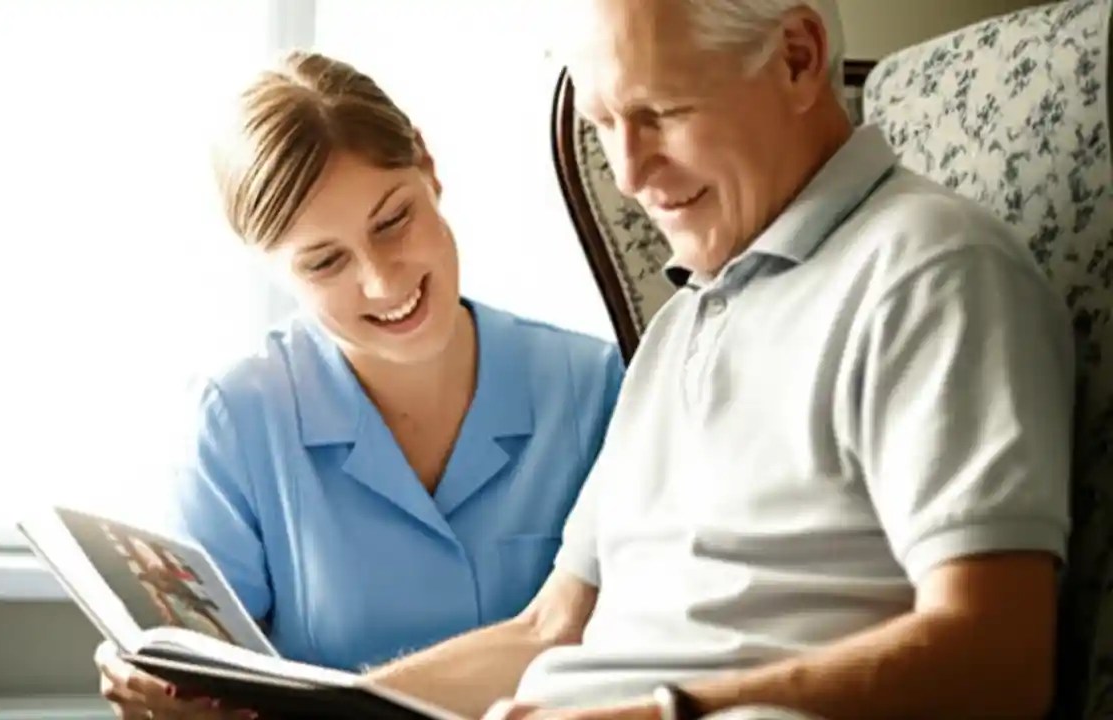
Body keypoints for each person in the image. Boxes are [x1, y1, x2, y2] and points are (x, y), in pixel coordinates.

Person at [345, 1, 1072, 718]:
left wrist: (663, 714)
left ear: (796, 57)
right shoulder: (679, 325)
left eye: (661, 112)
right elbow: (549, 630)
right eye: (603, 123)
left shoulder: (931, 271)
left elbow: (998, 655)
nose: (628, 173)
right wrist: (327, 708)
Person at [95, 50, 625, 719]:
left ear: (428, 167)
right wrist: (156, 687)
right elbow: (205, 676)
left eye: (393, 219)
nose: (382, 281)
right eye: (324, 261)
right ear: (270, 269)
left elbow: (626, 642)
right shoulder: (238, 421)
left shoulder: (596, 386)